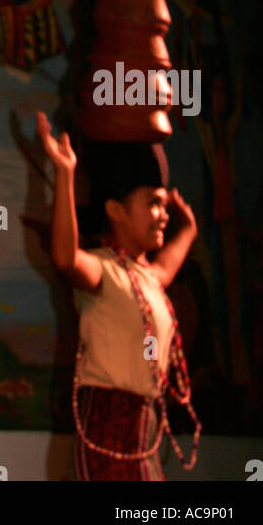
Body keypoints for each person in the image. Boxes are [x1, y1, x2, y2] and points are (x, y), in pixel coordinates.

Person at [36, 111, 201, 480]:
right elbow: (64, 256)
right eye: (152, 204)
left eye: (163, 204)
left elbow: (168, 263)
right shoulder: (103, 270)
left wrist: (188, 230)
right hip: (105, 438)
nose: (162, 215)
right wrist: (64, 174)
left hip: (143, 439)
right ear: (116, 210)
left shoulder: (150, 278)